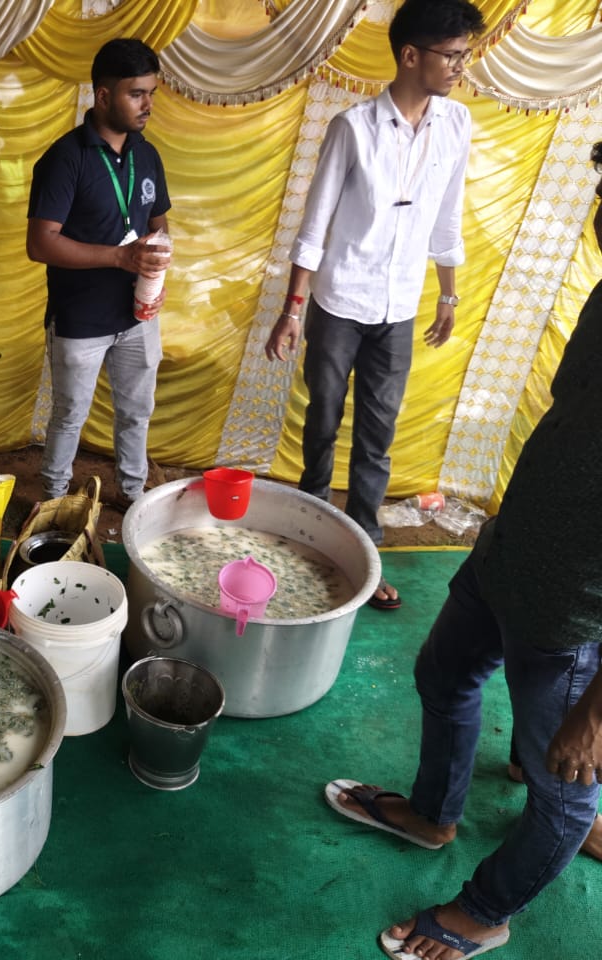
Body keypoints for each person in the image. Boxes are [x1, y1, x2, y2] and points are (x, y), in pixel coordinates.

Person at [324, 143, 602, 960]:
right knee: (444, 675)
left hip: (572, 614)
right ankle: (432, 815)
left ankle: (486, 911)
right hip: (508, 553)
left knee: (565, 793)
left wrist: (594, 716)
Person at [264, 0, 486, 610]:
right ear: (411, 55)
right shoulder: (353, 128)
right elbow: (314, 226)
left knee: (377, 436)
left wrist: (447, 292)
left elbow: (447, 215)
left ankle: (365, 558)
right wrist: (292, 309)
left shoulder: (456, 124)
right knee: (322, 420)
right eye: (451, 55)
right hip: (338, 300)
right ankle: (308, 537)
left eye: (464, 55)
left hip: (399, 306)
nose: (459, 67)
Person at [27, 37, 172, 508]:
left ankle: (132, 496)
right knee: (70, 415)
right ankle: (53, 500)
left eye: (151, 93)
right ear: (104, 95)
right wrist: (120, 258)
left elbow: (158, 224)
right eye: (137, 94)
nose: (148, 105)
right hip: (80, 318)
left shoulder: (147, 155)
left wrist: (155, 272)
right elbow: (40, 243)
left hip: (137, 314)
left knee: (137, 412)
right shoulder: (66, 158)